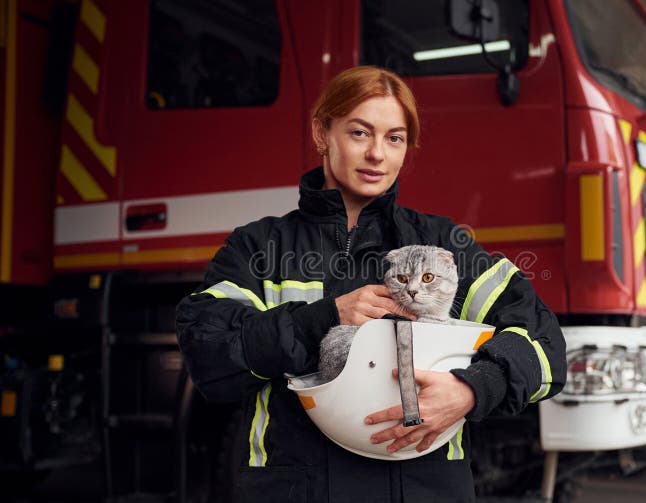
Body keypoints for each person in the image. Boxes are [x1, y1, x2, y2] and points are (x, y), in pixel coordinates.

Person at [175, 65, 566, 503]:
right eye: (360, 133)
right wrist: (324, 318)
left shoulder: (443, 246)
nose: (378, 154)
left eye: (394, 138)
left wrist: (473, 389)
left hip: (424, 490)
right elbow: (209, 354)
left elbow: (546, 346)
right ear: (322, 133)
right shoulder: (259, 247)